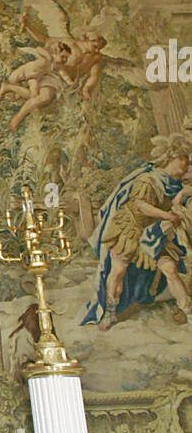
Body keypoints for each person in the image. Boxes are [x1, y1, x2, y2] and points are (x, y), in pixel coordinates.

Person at [80, 133, 192, 330]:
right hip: (131, 228)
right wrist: (167, 216)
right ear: (170, 158)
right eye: (183, 158)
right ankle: (109, 313)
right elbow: (140, 206)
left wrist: (182, 193)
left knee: (170, 269)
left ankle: (188, 312)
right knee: (118, 271)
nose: (186, 163)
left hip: (155, 232)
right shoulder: (148, 180)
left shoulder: (175, 184)